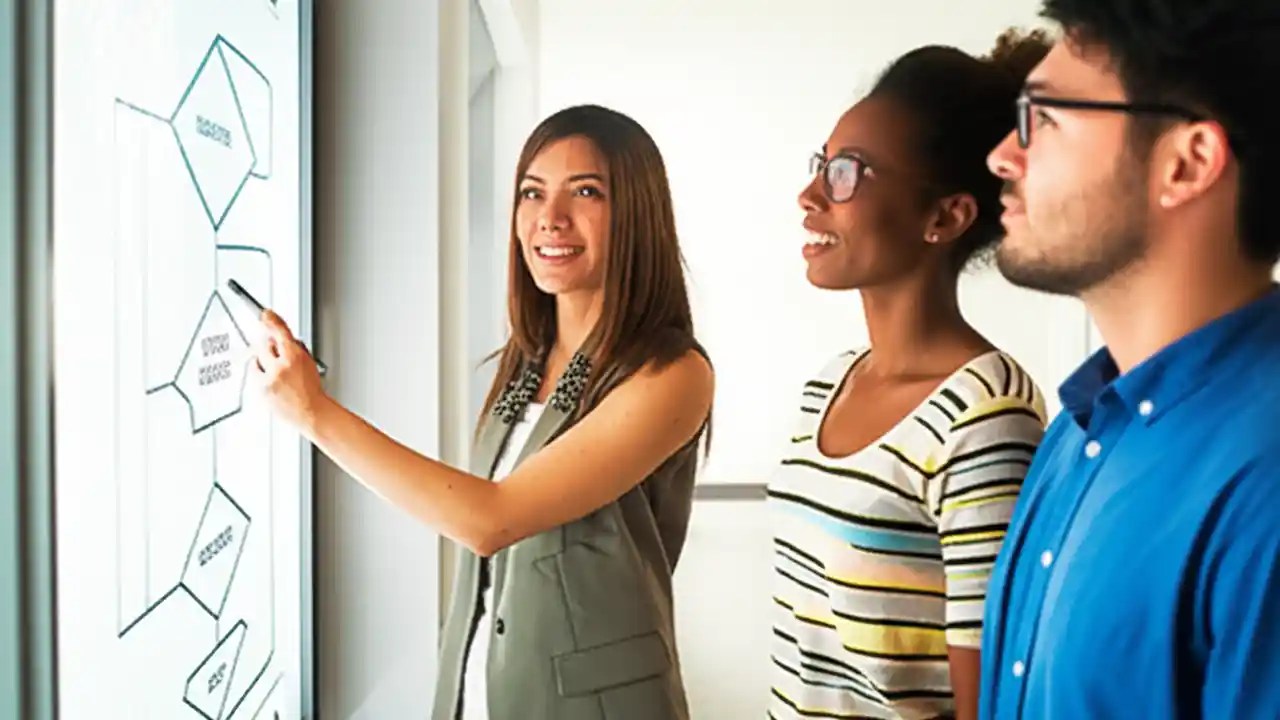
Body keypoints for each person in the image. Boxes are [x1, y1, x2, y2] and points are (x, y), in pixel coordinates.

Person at [249, 104, 714, 720]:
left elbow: (493, 519)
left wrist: (316, 415)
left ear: (637, 213)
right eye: (532, 192)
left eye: (586, 192)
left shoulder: (673, 373)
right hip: (481, 692)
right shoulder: (527, 361)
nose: (550, 218)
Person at [980, 1, 1280, 718]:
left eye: (1042, 118)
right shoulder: (1081, 427)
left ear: (1186, 163)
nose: (1002, 155)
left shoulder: (1265, 474)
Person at [767, 29, 1052, 720]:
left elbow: (987, 698)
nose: (809, 194)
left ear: (945, 216)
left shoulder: (986, 417)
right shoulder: (827, 385)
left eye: (847, 172)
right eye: (822, 164)